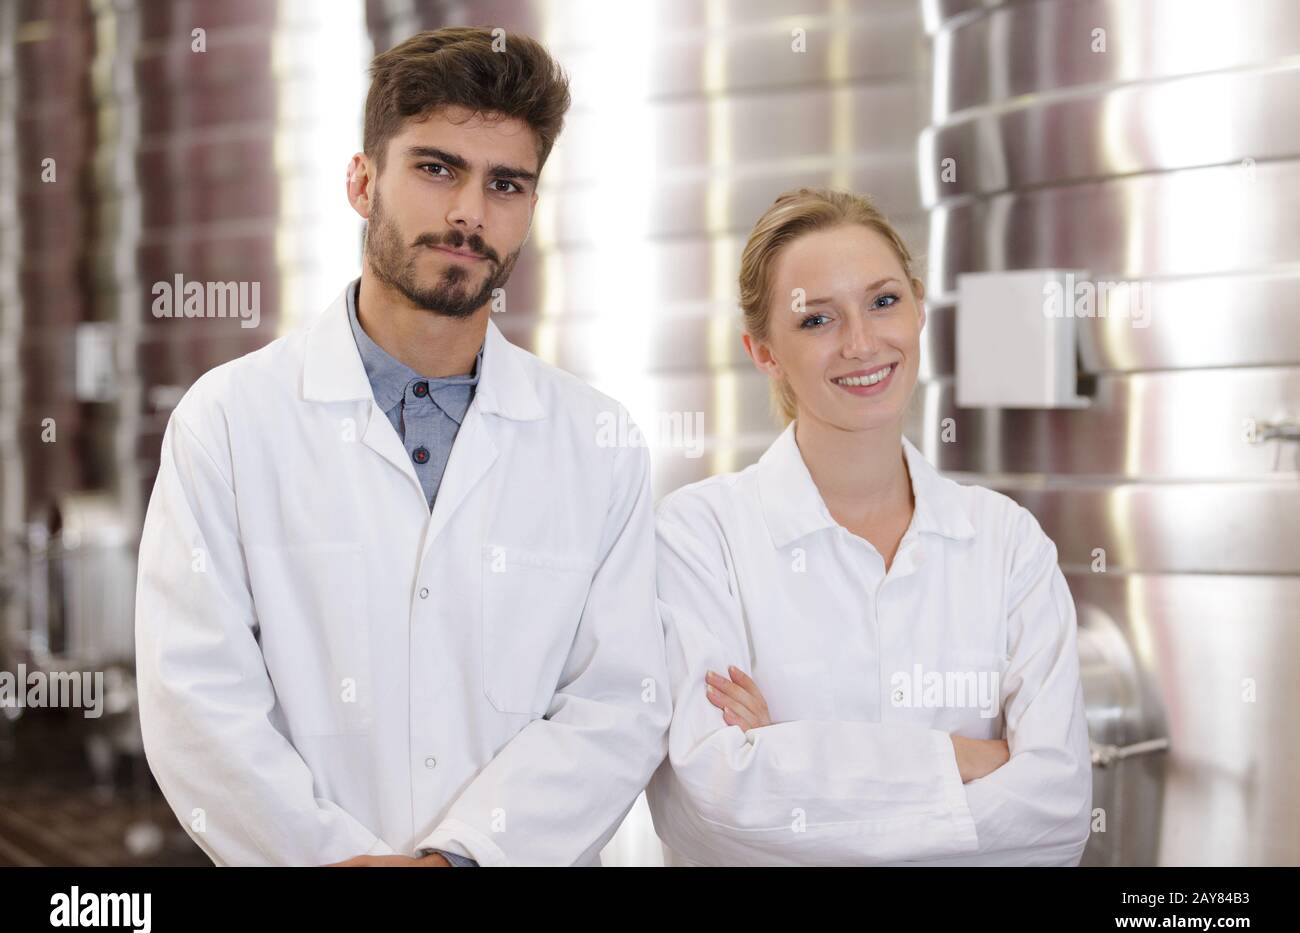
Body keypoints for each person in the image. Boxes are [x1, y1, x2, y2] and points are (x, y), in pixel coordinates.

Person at [135, 27, 670, 867]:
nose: (468, 212)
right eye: (435, 168)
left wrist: (461, 858)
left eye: (505, 184)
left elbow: (616, 705)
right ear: (361, 180)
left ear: (531, 207)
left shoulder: (596, 443)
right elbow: (194, 699)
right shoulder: (231, 422)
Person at [645, 188, 1092, 866]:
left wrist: (787, 756)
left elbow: (1057, 812)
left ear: (918, 306)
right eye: (817, 320)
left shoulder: (1007, 541)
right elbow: (707, 801)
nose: (861, 344)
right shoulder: (700, 537)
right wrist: (964, 759)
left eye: (884, 302)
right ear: (764, 352)